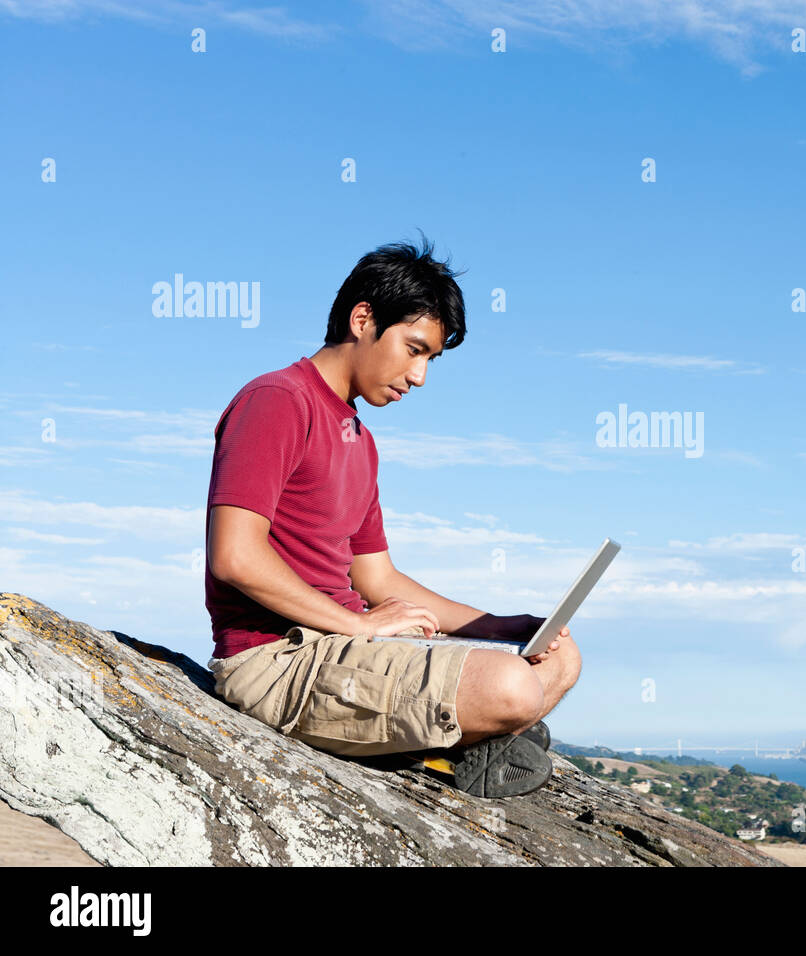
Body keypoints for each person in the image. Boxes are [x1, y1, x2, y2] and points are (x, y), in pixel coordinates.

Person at [202, 233, 580, 797]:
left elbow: (377, 579)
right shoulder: (278, 400)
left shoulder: (360, 439)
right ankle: (445, 752)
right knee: (512, 690)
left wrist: (501, 626)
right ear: (362, 319)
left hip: (345, 649)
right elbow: (234, 556)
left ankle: (442, 743)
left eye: (431, 359)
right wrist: (359, 624)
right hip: (278, 661)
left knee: (561, 660)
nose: (420, 376)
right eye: (414, 348)